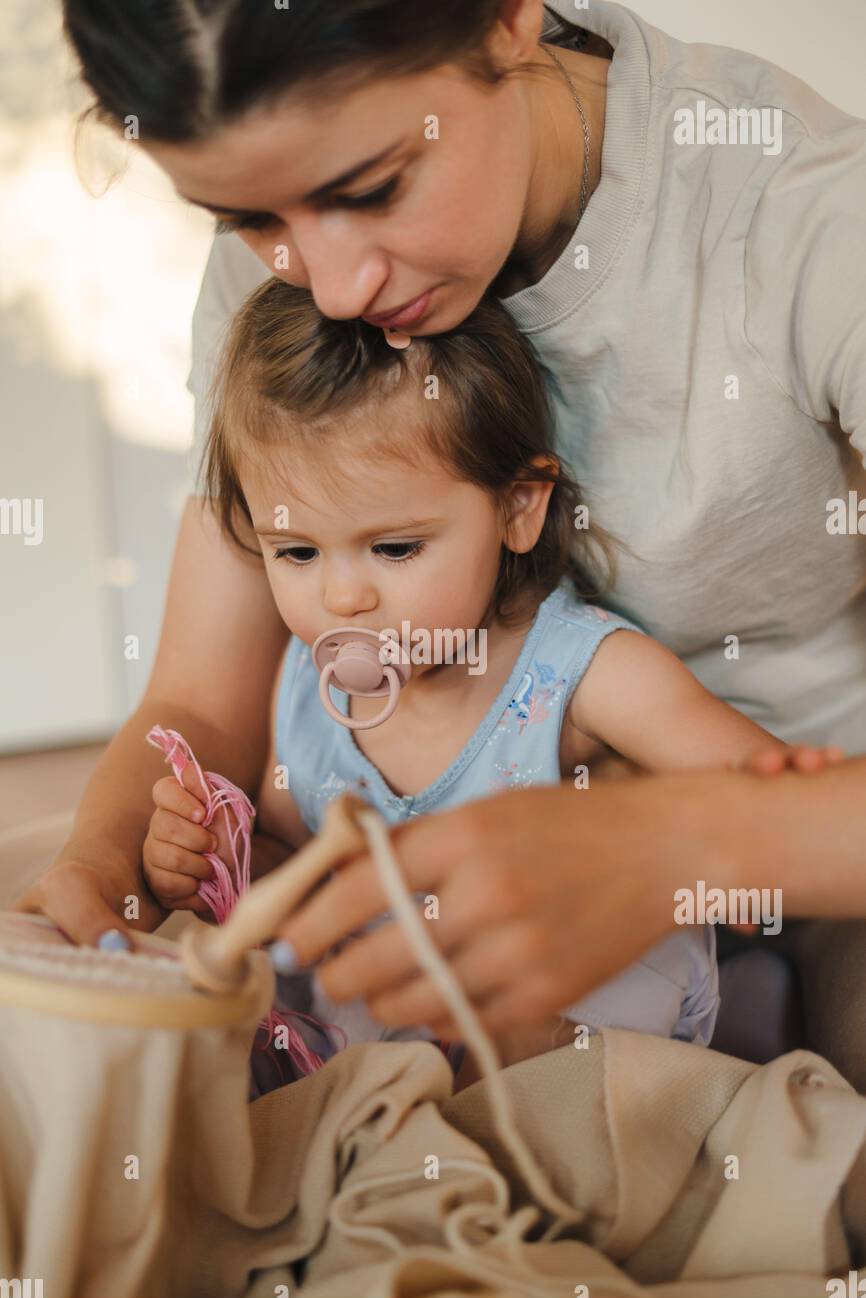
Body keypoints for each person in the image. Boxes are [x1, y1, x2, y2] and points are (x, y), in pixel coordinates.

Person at [18, 1, 866, 1086]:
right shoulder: (274, 275)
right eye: (242, 218)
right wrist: (101, 866)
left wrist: (671, 845)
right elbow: (198, 703)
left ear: (509, 16)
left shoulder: (811, 224)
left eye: (370, 189)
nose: (331, 288)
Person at [144, 279, 838, 1078]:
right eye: (296, 553)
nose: (341, 597)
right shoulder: (307, 684)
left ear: (518, 509)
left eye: (396, 549)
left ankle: (739, 1012)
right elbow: (294, 864)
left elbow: (767, 806)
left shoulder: (580, 671)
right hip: (392, 1037)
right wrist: (221, 862)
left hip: (563, 1036)